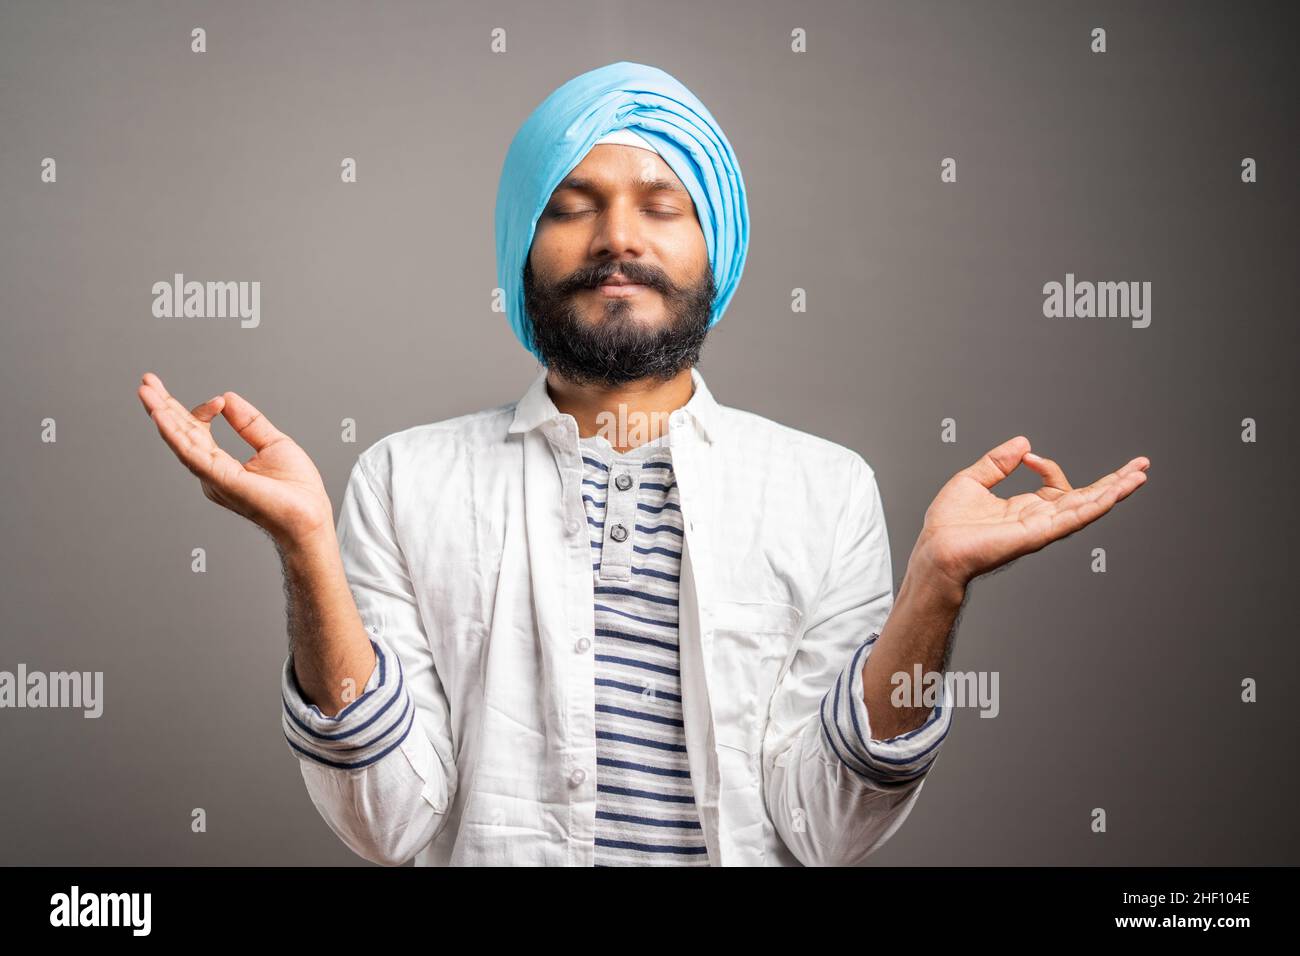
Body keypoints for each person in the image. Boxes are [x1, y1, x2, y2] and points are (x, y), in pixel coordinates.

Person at [136, 61, 1149, 866]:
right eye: (573, 203)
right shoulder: (405, 482)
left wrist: (936, 586)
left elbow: (826, 826)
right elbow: (387, 821)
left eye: (662, 204)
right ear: (518, 246)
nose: (618, 237)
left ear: (717, 245)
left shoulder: (823, 491)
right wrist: (306, 546)